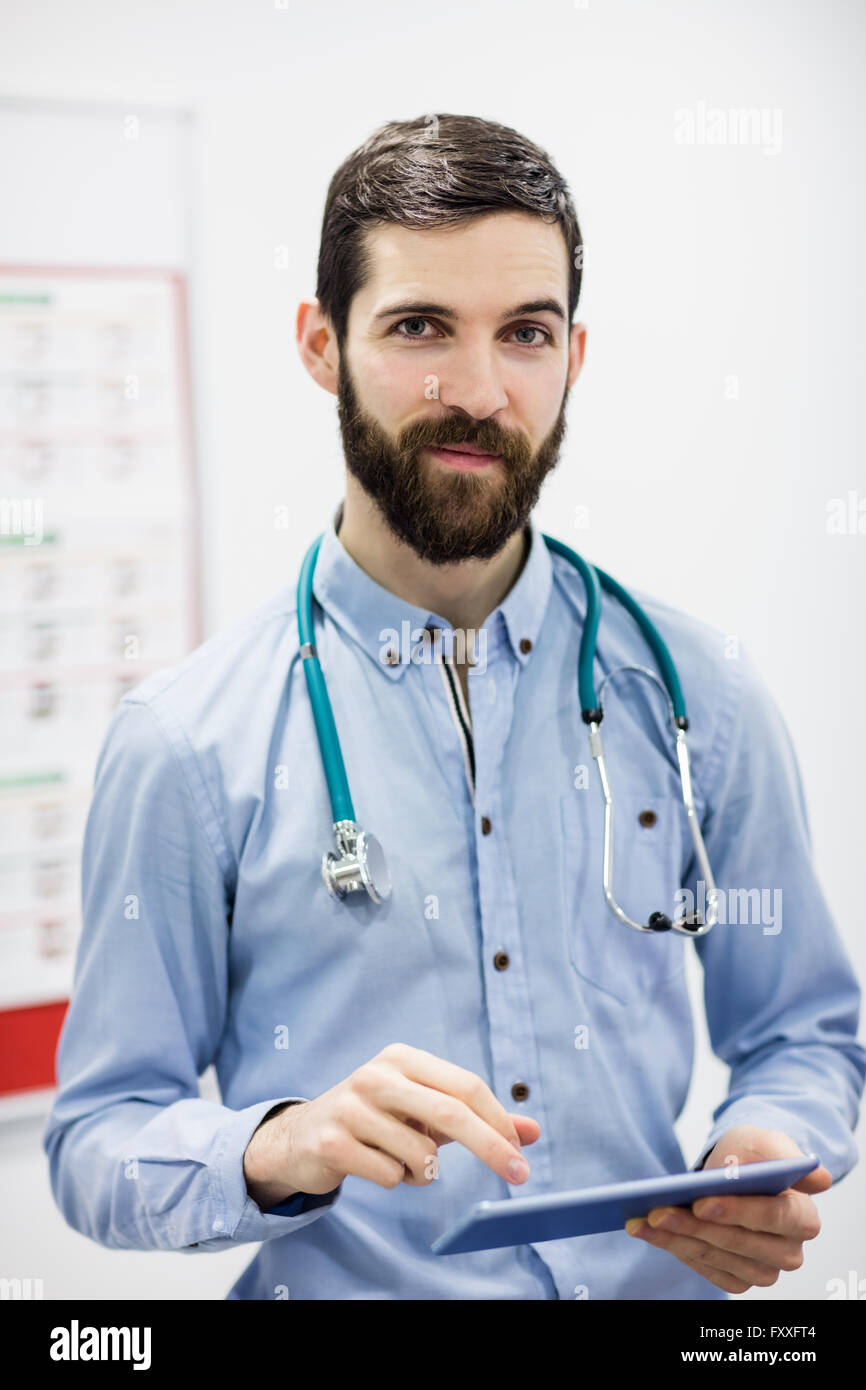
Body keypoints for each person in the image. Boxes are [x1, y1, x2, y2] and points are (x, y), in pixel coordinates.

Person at [44, 113, 865, 1301]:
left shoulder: (704, 699)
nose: (476, 390)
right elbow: (98, 1139)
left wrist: (763, 1151)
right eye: (420, 325)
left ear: (572, 355)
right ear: (321, 345)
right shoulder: (183, 743)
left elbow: (803, 1035)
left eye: (523, 333)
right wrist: (275, 1147)